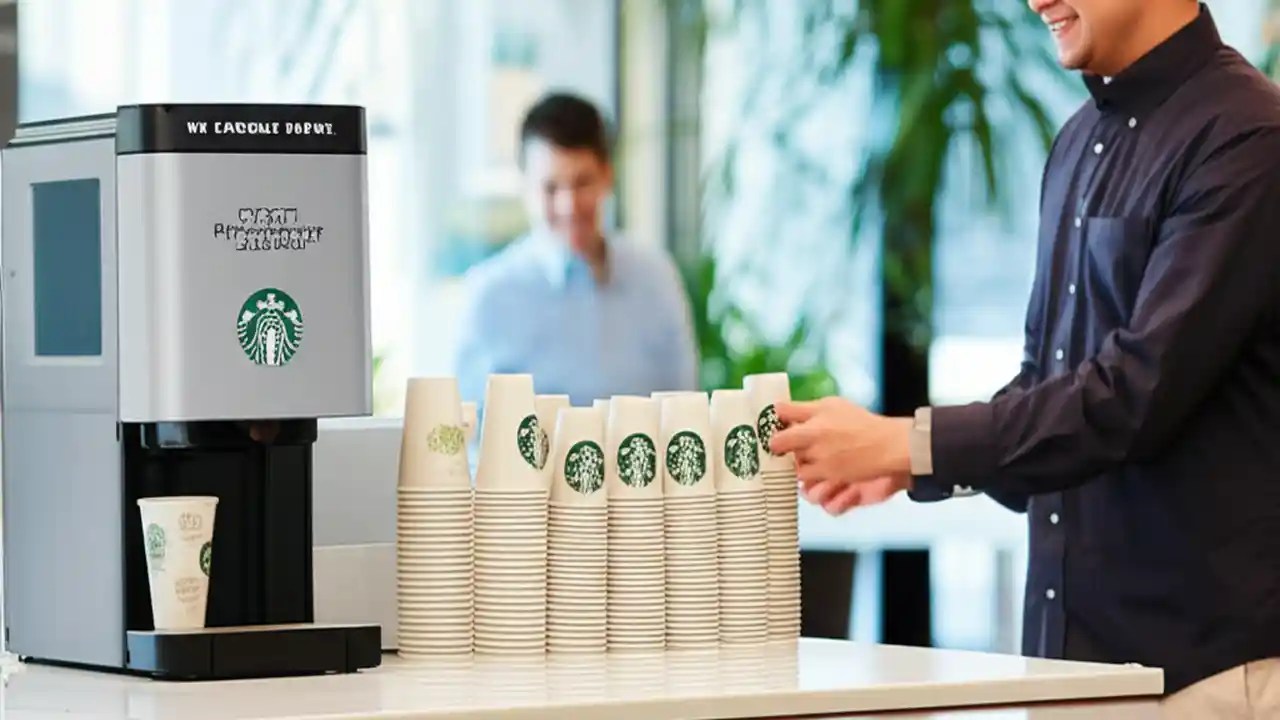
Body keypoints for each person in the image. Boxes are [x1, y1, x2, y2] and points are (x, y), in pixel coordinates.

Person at [770, 2, 1280, 717]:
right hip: (1069, 669)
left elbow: (1128, 399)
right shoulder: (1075, 142)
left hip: (1201, 680)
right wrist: (904, 458)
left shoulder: (1250, 135)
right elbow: (1048, 387)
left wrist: (906, 443)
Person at [452, 92, 698, 410]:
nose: (568, 207)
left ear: (607, 175)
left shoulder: (656, 278)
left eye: (582, 183)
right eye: (550, 188)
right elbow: (469, 436)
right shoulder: (489, 295)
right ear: (525, 186)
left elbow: (686, 409)